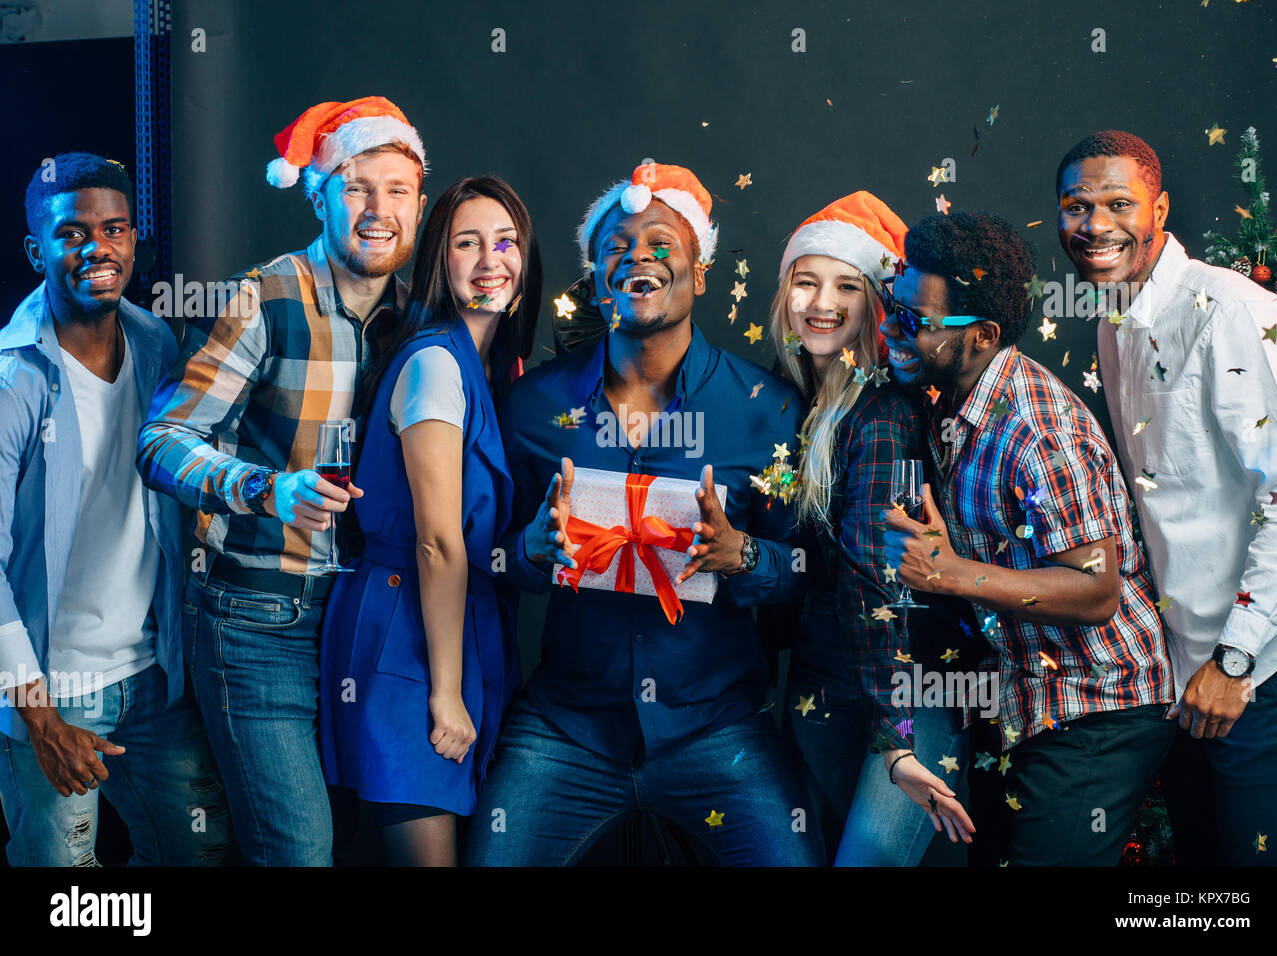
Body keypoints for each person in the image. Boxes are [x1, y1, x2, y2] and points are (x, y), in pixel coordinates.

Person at [465, 161, 822, 866]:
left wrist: (742, 556)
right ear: (598, 281)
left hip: (718, 727)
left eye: (662, 243)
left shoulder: (769, 410)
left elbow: (808, 571)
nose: (638, 256)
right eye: (616, 248)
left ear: (700, 272)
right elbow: (487, 557)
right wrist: (532, 548)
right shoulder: (532, 406)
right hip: (568, 726)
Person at [137, 97, 427, 865]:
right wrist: (270, 489)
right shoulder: (261, 298)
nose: (378, 209)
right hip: (257, 621)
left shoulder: (420, 318)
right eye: (357, 186)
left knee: (363, 840)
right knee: (298, 851)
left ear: (419, 204)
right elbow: (161, 441)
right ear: (318, 194)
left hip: (366, 622)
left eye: (397, 190)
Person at [880, 210, 1176, 866]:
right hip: (1022, 703)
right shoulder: (944, 396)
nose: (886, 328)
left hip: (1098, 704)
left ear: (982, 335)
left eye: (910, 321)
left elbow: (1097, 589)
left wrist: (951, 572)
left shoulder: (1040, 432)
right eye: (890, 305)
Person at [1057, 130, 1277, 865]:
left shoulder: (1229, 315)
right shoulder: (1114, 320)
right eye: (1076, 206)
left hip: (1263, 672)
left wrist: (1234, 662)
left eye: (1118, 203)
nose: (1096, 226)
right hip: (1186, 678)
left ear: (1158, 208)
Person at [0, 153, 229, 866]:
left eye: (116, 228)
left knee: (201, 852)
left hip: (153, 678)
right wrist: (38, 719)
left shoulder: (157, 342)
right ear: (38, 250)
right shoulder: (14, 378)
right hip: (56, 692)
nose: (98, 248)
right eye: (72, 235)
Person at [319, 176, 541, 866]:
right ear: (438, 262)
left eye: (504, 243)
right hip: (403, 634)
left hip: (449, 625)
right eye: (465, 243)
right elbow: (440, 541)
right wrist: (446, 690)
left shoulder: (487, 367)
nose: (488, 261)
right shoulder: (436, 363)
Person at [768, 191, 976, 864]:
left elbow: (876, 583)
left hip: (909, 687)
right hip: (823, 681)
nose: (821, 303)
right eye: (806, 281)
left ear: (875, 304)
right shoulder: (794, 399)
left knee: (867, 857)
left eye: (846, 286)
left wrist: (897, 743)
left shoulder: (881, 411)